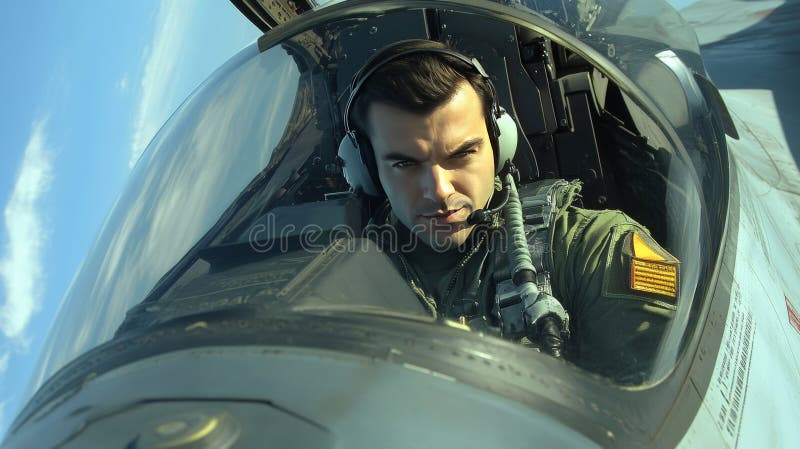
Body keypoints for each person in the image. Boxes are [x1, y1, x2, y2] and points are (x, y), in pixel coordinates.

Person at [337, 39, 679, 383]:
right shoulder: (340, 281)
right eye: (405, 163)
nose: (439, 190)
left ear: (499, 144)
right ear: (366, 169)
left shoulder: (595, 250)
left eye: (462, 154)